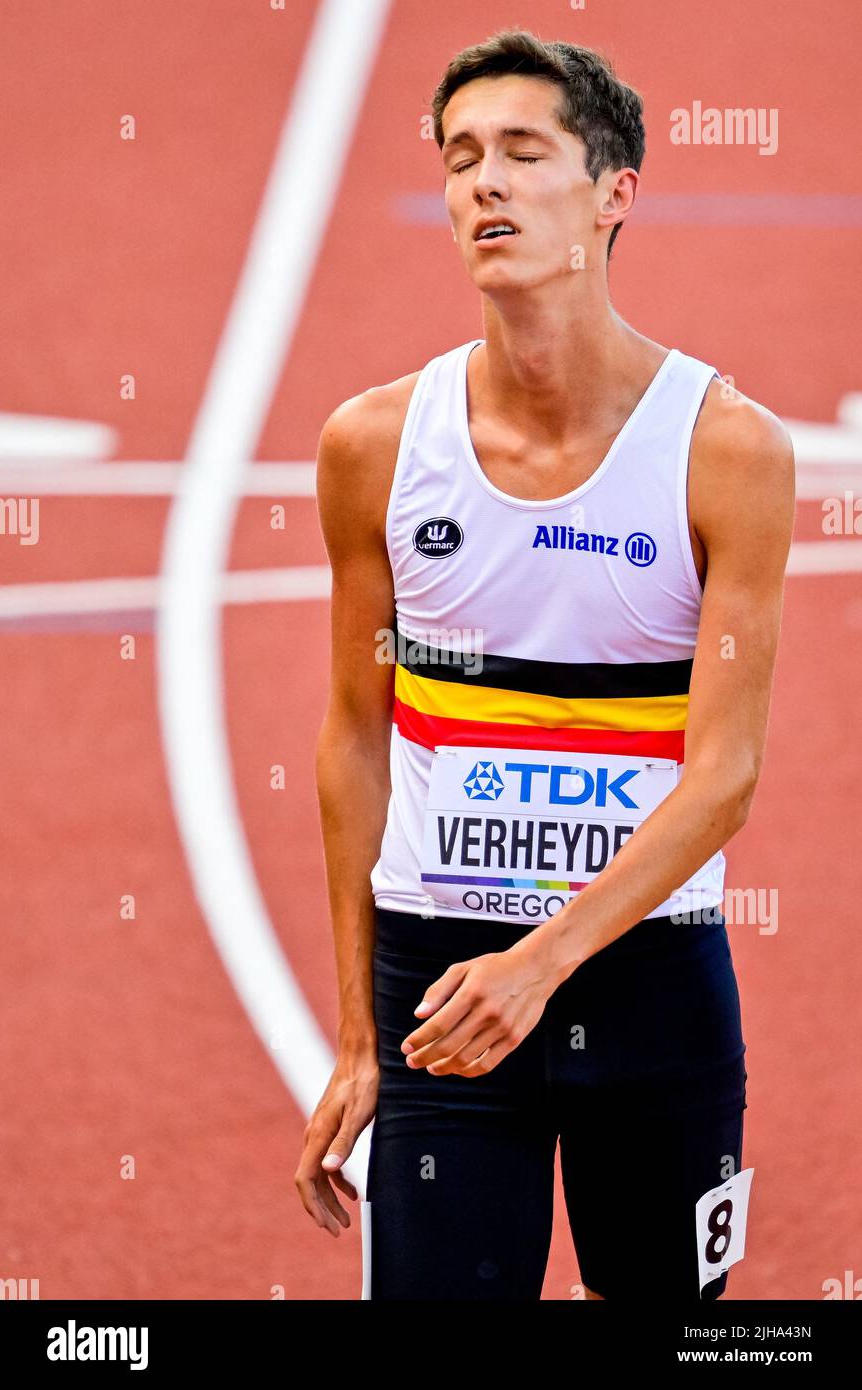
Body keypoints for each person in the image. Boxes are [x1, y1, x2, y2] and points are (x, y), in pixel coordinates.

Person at [295, 28, 794, 1300]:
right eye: (461, 156)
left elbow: (723, 777)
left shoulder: (725, 449)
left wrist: (543, 961)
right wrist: (359, 1033)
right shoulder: (374, 445)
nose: (484, 183)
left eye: (523, 151)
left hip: (648, 983)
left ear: (614, 191)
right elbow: (353, 736)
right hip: (443, 992)